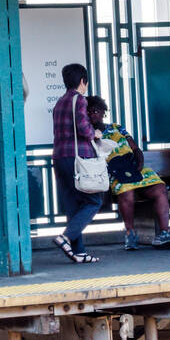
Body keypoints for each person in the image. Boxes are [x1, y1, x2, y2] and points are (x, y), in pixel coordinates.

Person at [87, 95, 170, 250]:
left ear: (103, 112)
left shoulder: (116, 128)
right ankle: (130, 233)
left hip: (133, 167)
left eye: (96, 111)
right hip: (113, 172)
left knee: (160, 189)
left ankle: (164, 233)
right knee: (126, 191)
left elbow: (134, 147)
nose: (92, 115)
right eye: (88, 112)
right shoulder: (87, 133)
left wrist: (139, 162)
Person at [51, 63, 104, 263]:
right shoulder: (79, 100)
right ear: (83, 81)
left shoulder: (59, 102)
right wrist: (95, 133)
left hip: (59, 157)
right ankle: (65, 237)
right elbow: (83, 128)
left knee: (72, 204)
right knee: (94, 201)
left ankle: (79, 252)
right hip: (77, 158)